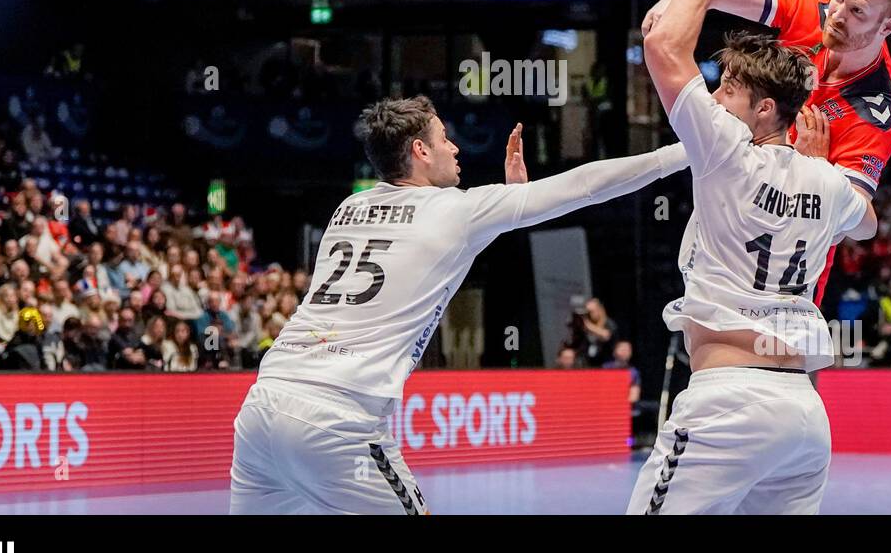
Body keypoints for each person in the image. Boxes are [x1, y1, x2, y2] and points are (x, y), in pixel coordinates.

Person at [230, 94, 689, 515]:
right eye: (444, 140)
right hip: (338, 418)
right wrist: (685, 150)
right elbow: (584, 185)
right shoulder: (455, 208)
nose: (456, 149)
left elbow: (422, 245)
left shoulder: (347, 208)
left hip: (261, 408)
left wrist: (512, 205)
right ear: (419, 151)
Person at [625, 0, 876, 516]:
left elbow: (662, 42)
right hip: (804, 416)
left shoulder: (723, 150)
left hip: (728, 403)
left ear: (764, 110)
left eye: (726, 90)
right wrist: (821, 171)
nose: (712, 100)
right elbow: (866, 223)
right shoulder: (832, 184)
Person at [643, 0, 891, 310]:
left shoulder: (875, 113)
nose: (836, 15)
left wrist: (812, 171)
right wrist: (668, 1)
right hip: (726, 224)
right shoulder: (813, 10)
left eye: (857, 12)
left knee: (770, 361)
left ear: (887, 27)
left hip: (786, 281)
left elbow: (862, 225)